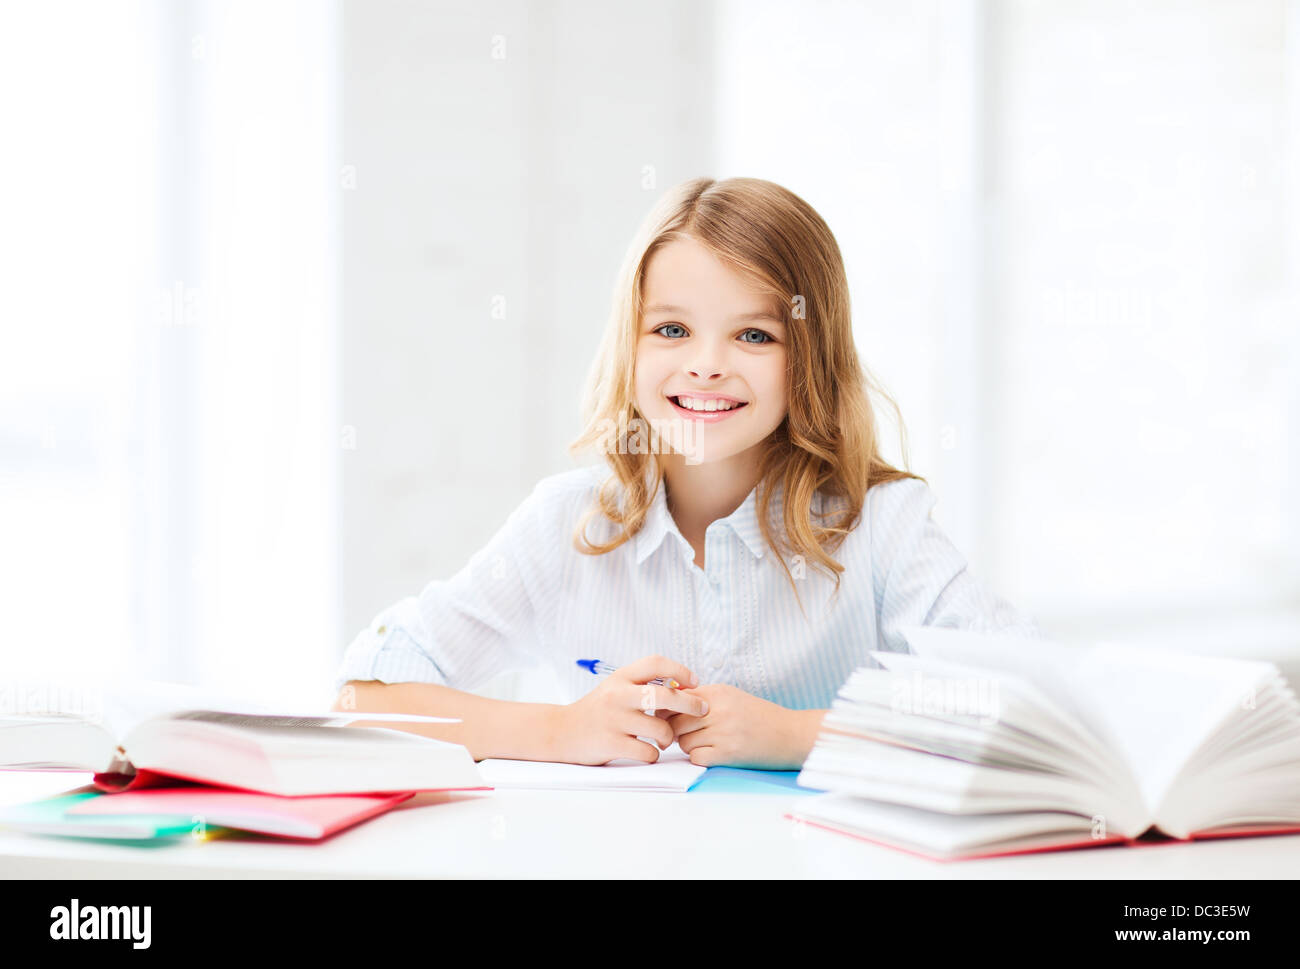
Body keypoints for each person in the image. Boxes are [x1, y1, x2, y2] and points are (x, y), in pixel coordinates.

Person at [331, 176, 1040, 770]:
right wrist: (561, 730)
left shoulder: (883, 526)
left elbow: (1025, 702)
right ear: (630, 344)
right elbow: (364, 698)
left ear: (811, 359)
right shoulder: (566, 527)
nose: (705, 363)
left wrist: (797, 736)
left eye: (754, 334)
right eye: (672, 329)